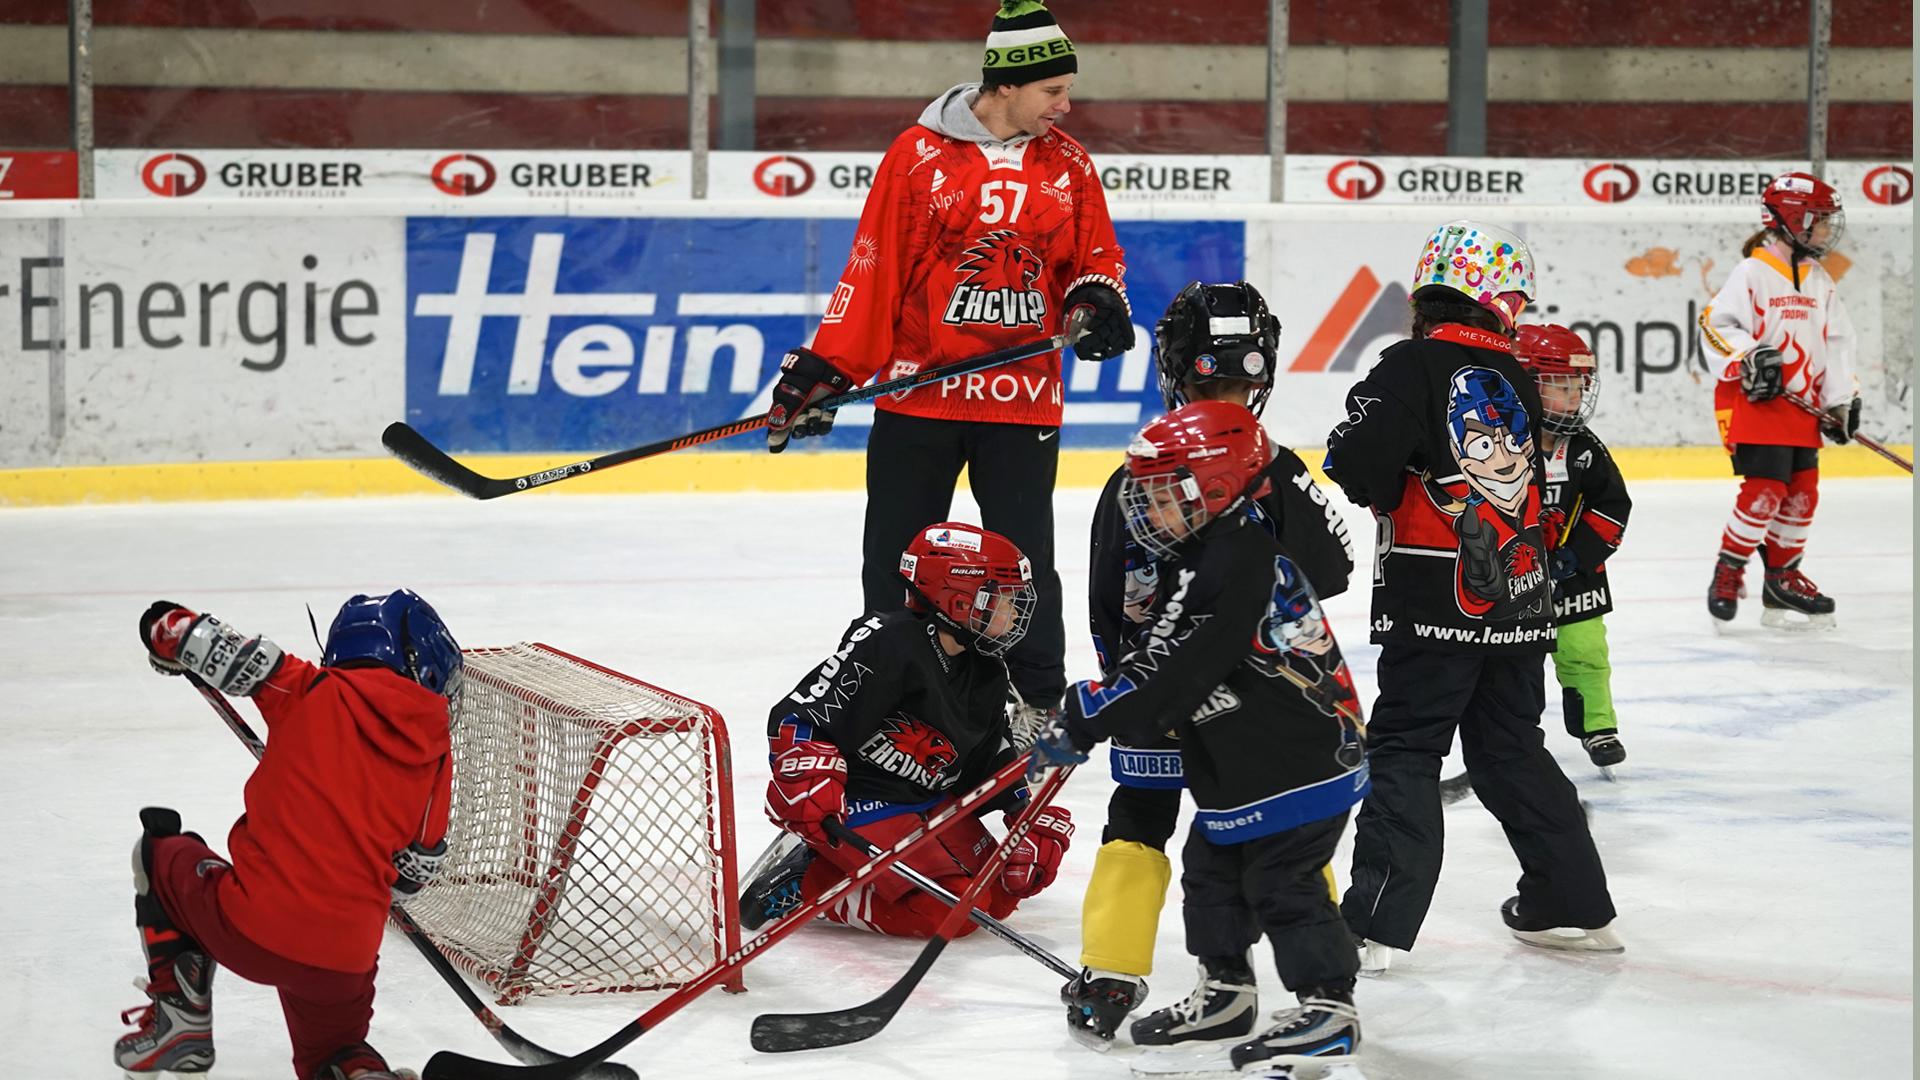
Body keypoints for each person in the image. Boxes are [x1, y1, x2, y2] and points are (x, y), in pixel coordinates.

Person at [762, 0, 1134, 738]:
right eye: (1052, 92)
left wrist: (1096, 297)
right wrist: (830, 366)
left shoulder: (1070, 165)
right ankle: (885, 686)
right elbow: (875, 269)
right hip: (921, 397)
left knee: (1027, 564)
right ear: (1006, 85)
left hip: (1020, 399)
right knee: (894, 559)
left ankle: (1033, 700)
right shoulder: (918, 154)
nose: (1066, 105)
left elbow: (1096, 259)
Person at [1059, 281, 1356, 1047]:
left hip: (1207, 698)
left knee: (1181, 820)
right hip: (1188, 693)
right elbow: (1333, 571)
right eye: (1213, 383)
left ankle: (1117, 970)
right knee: (1232, 827)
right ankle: (1270, 964)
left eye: (1236, 385)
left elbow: (1106, 609)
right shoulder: (1271, 467)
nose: (1224, 396)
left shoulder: (1137, 477)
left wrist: (1128, 686)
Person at [1322, 221, 1622, 975]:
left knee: (1406, 748)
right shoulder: (1516, 373)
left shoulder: (1411, 363)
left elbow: (1356, 462)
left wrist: (1389, 487)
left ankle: (1374, 925)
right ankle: (1571, 902)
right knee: (1510, 748)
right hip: (1520, 600)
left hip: (1436, 600)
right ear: (1496, 297)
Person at [117, 591, 462, 1080]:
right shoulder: (437, 753)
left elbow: (179, 632)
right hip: (347, 962)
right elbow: (412, 877)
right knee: (336, 1050)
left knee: (162, 853)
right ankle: (362, 1074)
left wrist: (162, 633)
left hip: (254, 930)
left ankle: (181, 1024)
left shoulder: (302, 687)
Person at [747, 523, 1074, 938]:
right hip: (861, 804)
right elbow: (801, 716)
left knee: (1002, 892)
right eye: (1002, 598)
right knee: (950, 917)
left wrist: (1024, 813)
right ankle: (808, 883)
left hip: (924, 802)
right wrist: (807, 771)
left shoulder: (987, 670)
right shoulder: (888, 642)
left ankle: (834, 869)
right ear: (957, 599)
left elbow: (988, 755)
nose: (1013, 612)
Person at [1699, 171, 1859, 630]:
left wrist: (1841, 400)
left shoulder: (1819, 279)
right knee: (1766, 489)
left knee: (1803, 495)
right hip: (1758, 401)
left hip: (1802, 405)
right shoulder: (1752, 271)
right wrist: (1752, 354)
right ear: (1792, 219)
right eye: (1820, 220)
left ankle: (1782, 579)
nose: (1827, 230)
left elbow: (1838, 341)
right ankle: (1728, 570)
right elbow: (1716, 324)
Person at [1516, 323, 1632, 774]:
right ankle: (1511, 731)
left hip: (1575, 577)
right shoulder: (1501, 443)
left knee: (1585, 649)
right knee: (1514, 663)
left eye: (1577, 386)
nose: (1572, 398)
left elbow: (1612, 506)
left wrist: (1578, 556)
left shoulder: (1585, 449)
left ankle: (1598, 727)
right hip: (1517, 578)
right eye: (1558, 386)